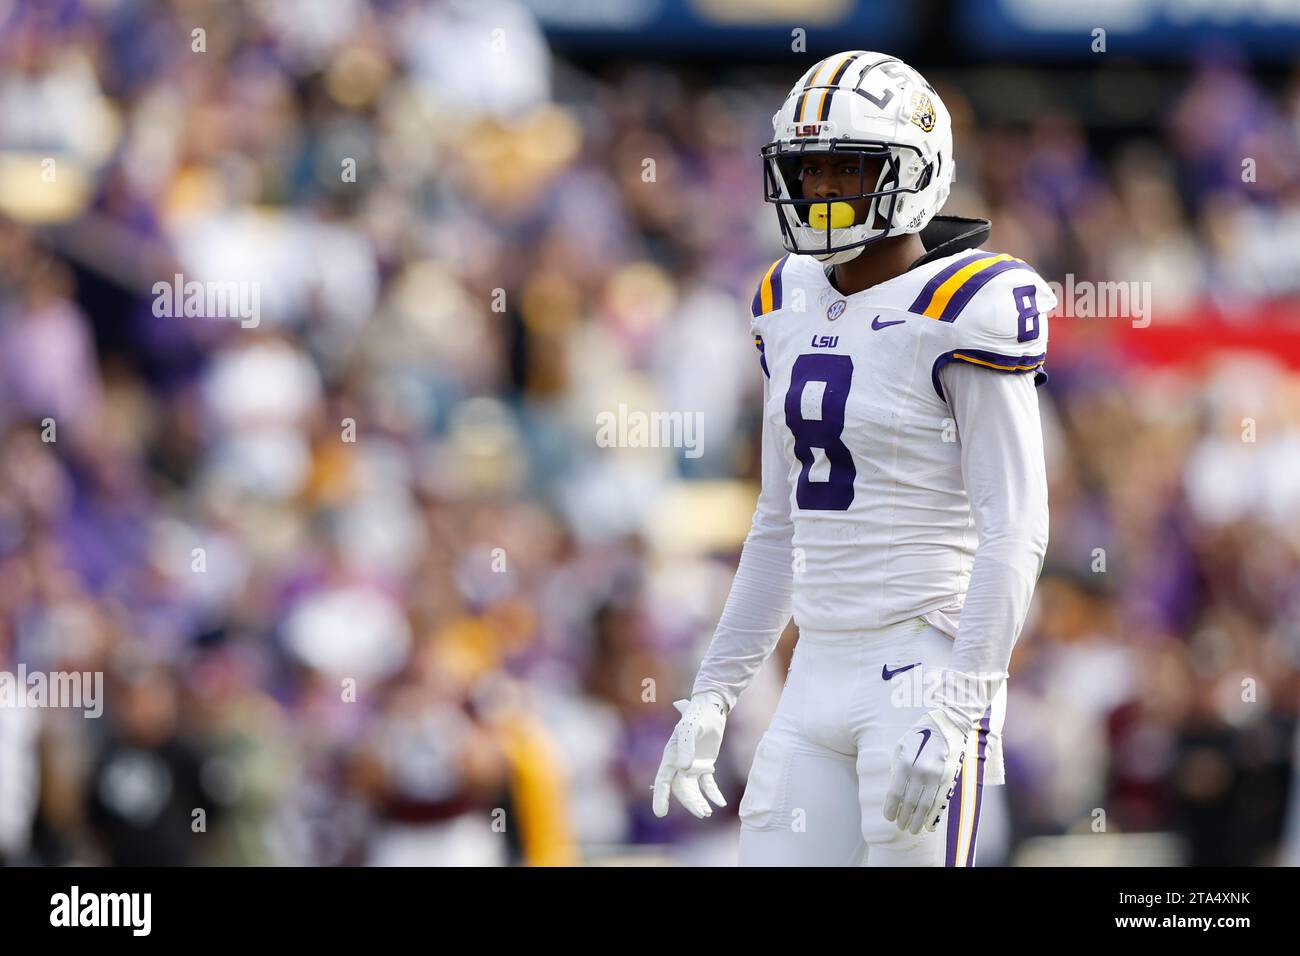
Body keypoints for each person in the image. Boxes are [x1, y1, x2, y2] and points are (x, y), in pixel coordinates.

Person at [652, 51, 1055, 866]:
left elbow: (1017, 529)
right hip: (815, 669)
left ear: (916, 171)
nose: (822, 192)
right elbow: (776, 526)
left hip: (921, 667)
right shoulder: (786, 299)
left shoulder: (964, 306)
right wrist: (715, 693)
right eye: (808, 171)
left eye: (847, 169)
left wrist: (962, 706)